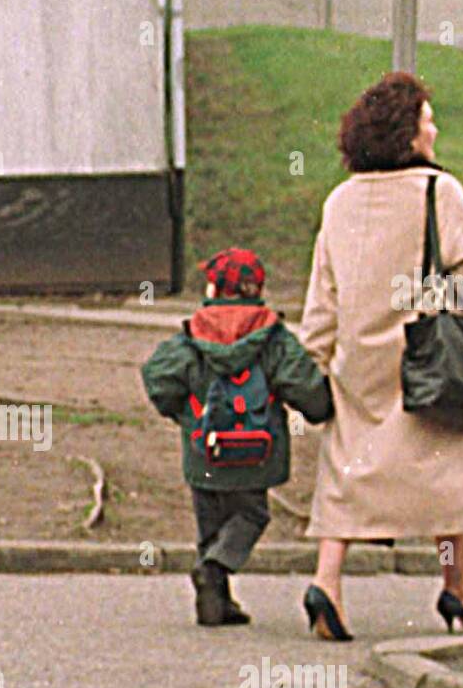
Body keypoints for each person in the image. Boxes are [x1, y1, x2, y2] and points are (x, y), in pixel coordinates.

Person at [298, 72, 463, 641]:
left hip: (359, 364)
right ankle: (454, 590)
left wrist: (314, 360)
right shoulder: (441, 193)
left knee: (348, 473)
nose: (435, 127)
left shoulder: (339, 202)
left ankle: (326, 585)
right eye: (427, 117)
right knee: (452, 466)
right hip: (428, 360)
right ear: (407, 133)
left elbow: (323, 298)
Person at [142, 248, 333, 626]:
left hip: (204, 447)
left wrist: (183, 415)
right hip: (256, 450)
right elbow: (303, 386)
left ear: (215, 286)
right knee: (251, 513)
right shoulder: (272, 335)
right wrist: (321, 409)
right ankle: (214, 570)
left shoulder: (194, 332)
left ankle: (214, 595)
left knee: (209, 520)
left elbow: (159, 378)